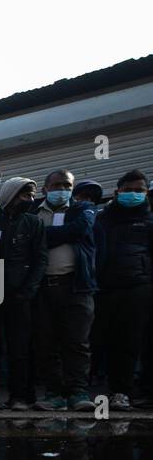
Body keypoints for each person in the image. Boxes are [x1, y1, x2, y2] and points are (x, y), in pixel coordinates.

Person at [32, 169, 99, 411]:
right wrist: (50, 235)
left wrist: (42, 236)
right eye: (57, 185)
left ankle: (78, 392)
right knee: (46, 343)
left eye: (67, 185)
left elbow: (80, 229)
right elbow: (28, 238)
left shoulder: (83, 209)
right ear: (45, 189)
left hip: (76, 286)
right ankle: (54, 394)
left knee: (77, 342)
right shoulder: (32, 212)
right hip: (43, 288)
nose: (63, 189)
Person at [0, 177, 48, 410]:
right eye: (24, 195)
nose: (29, 200)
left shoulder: (34, 223)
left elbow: (40, 259)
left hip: (21, 294)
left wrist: (28, 290)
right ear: (11, 196)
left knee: (20, 348)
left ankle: (20, 396)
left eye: (32, 195)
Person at [97, 170, 153, 411]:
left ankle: (125, 392)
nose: (133, 194)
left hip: (139, 287)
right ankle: (111, 389)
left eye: (139, 190)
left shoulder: (150, 220)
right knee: (108, 340)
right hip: (106, 287)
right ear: (117, 192)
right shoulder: (103, 218)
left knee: (132, 340)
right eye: (128, 190)